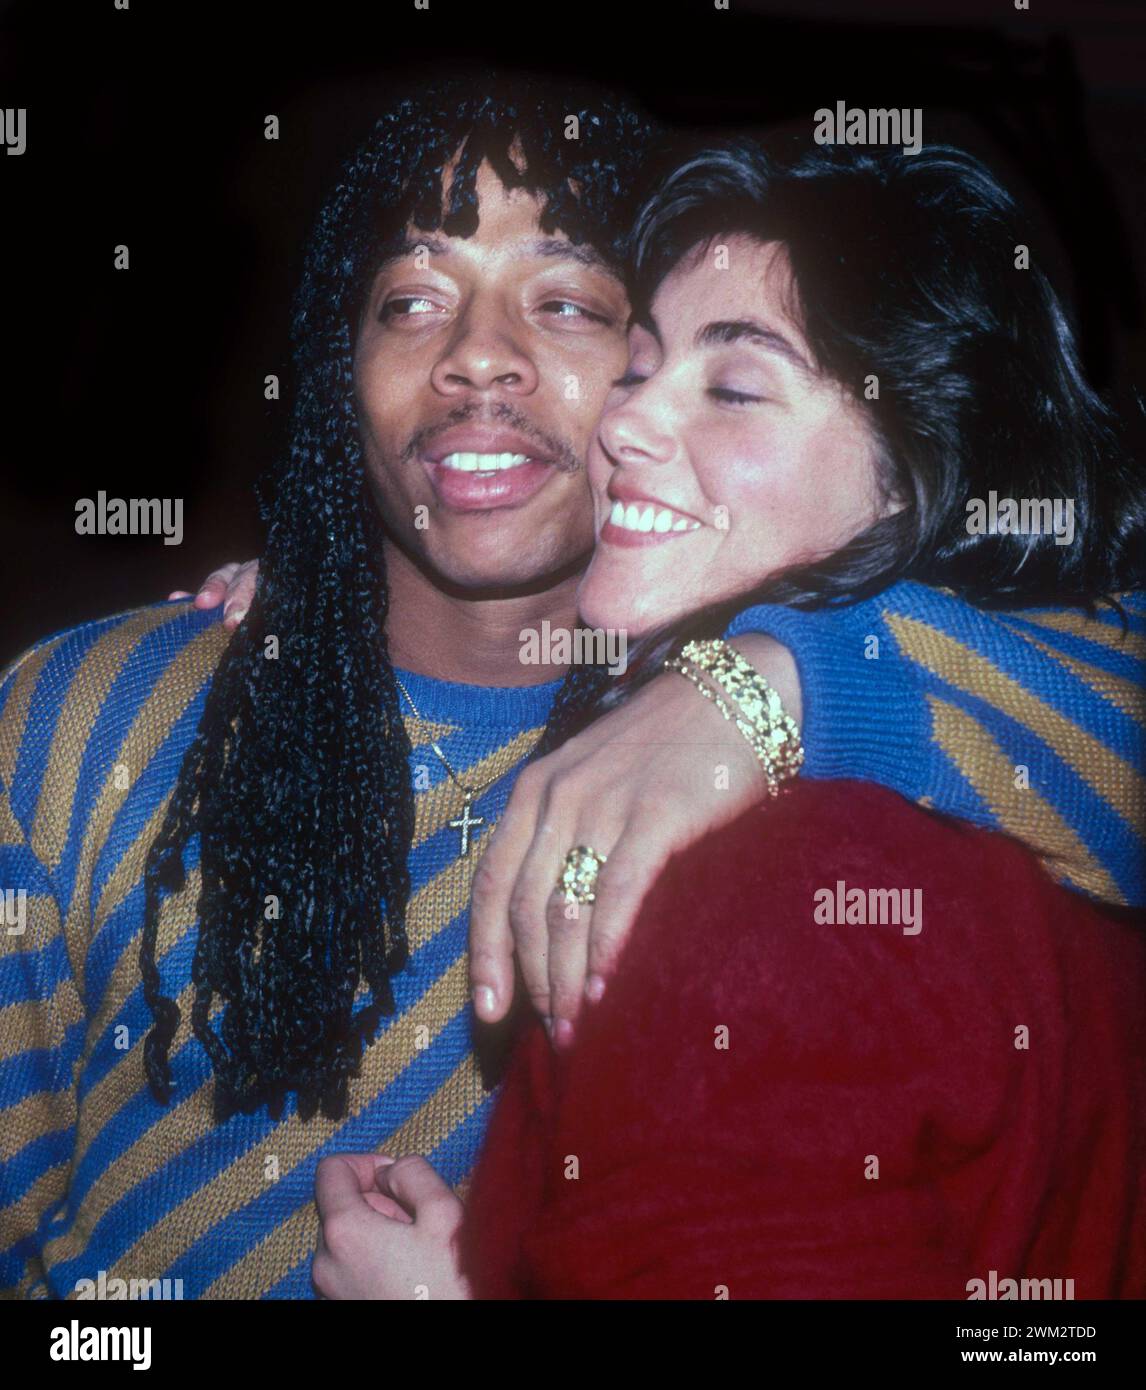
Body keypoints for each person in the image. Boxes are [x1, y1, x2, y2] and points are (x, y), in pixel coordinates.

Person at [0, 78, 1139, 1302]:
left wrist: (780, 684)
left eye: (564, 303)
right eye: (409, 300)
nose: (476, 356)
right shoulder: (82, 713)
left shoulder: (753, 798)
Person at [304, 140, 1146, 1299]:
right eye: (641, 369)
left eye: (737, 386)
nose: (628, 424)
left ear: (916, 471)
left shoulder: (743, 895)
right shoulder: (1003, 817)